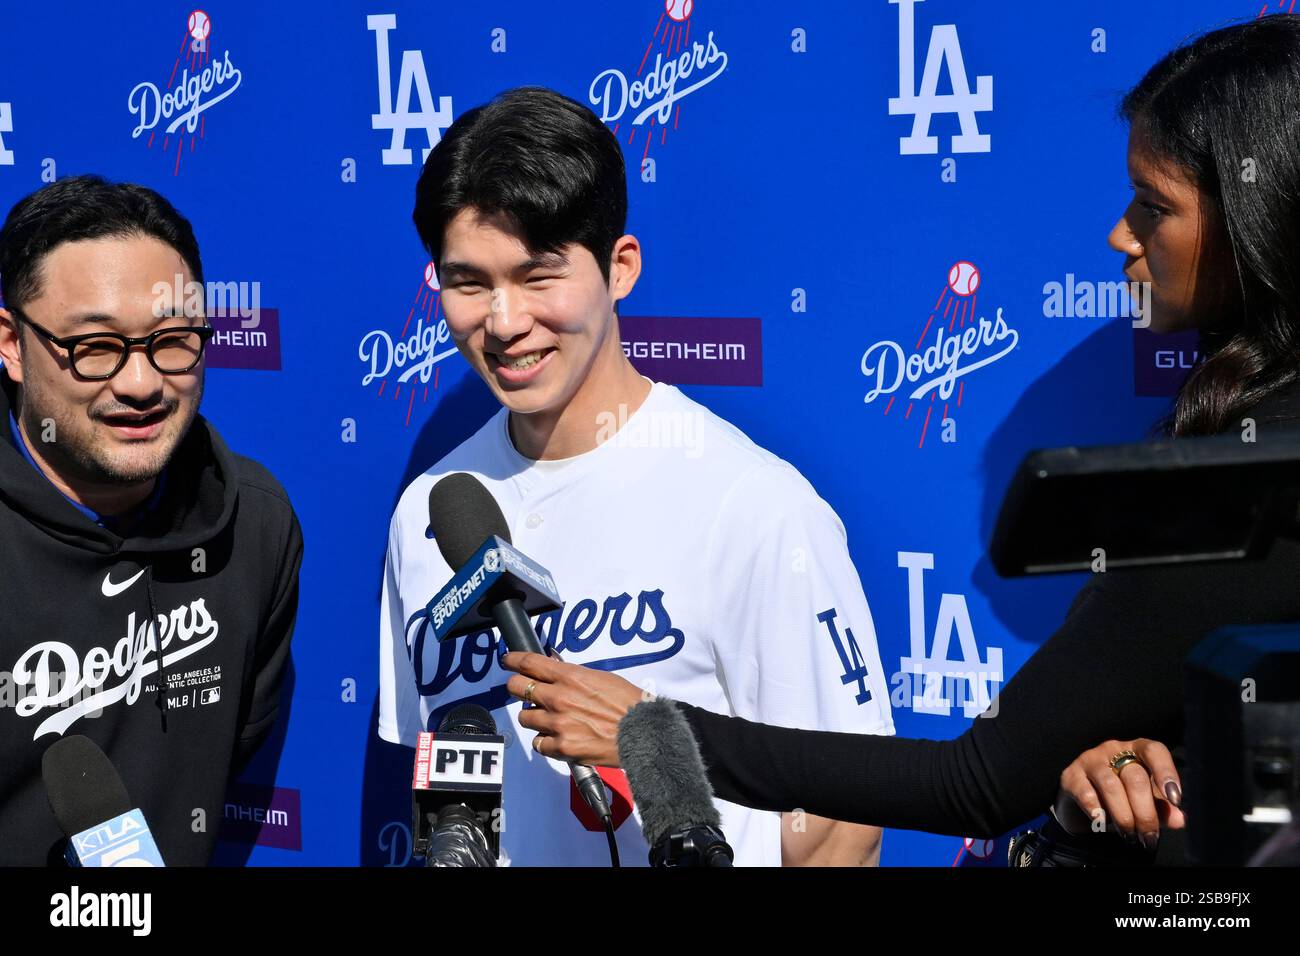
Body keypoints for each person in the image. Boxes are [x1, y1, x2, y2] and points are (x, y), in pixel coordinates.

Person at [499, 16, 1300, 863]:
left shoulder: (1244, 486)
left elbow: (976, 782)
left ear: (1258, 212)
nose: (1121, 235)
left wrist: (648, 729)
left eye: (1154, 205)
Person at [377, 86, 894, 867]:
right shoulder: (429, 511)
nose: (505, 321)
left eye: (539, 274)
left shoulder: (750, 503)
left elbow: (840, 824)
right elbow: (447, 791)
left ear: (621, 268)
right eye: (469, 283)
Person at [0, 176, 303, 866]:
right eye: (96, 347)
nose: (141, 383)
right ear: (12, 344)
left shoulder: (254, 525)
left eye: (172, 340)